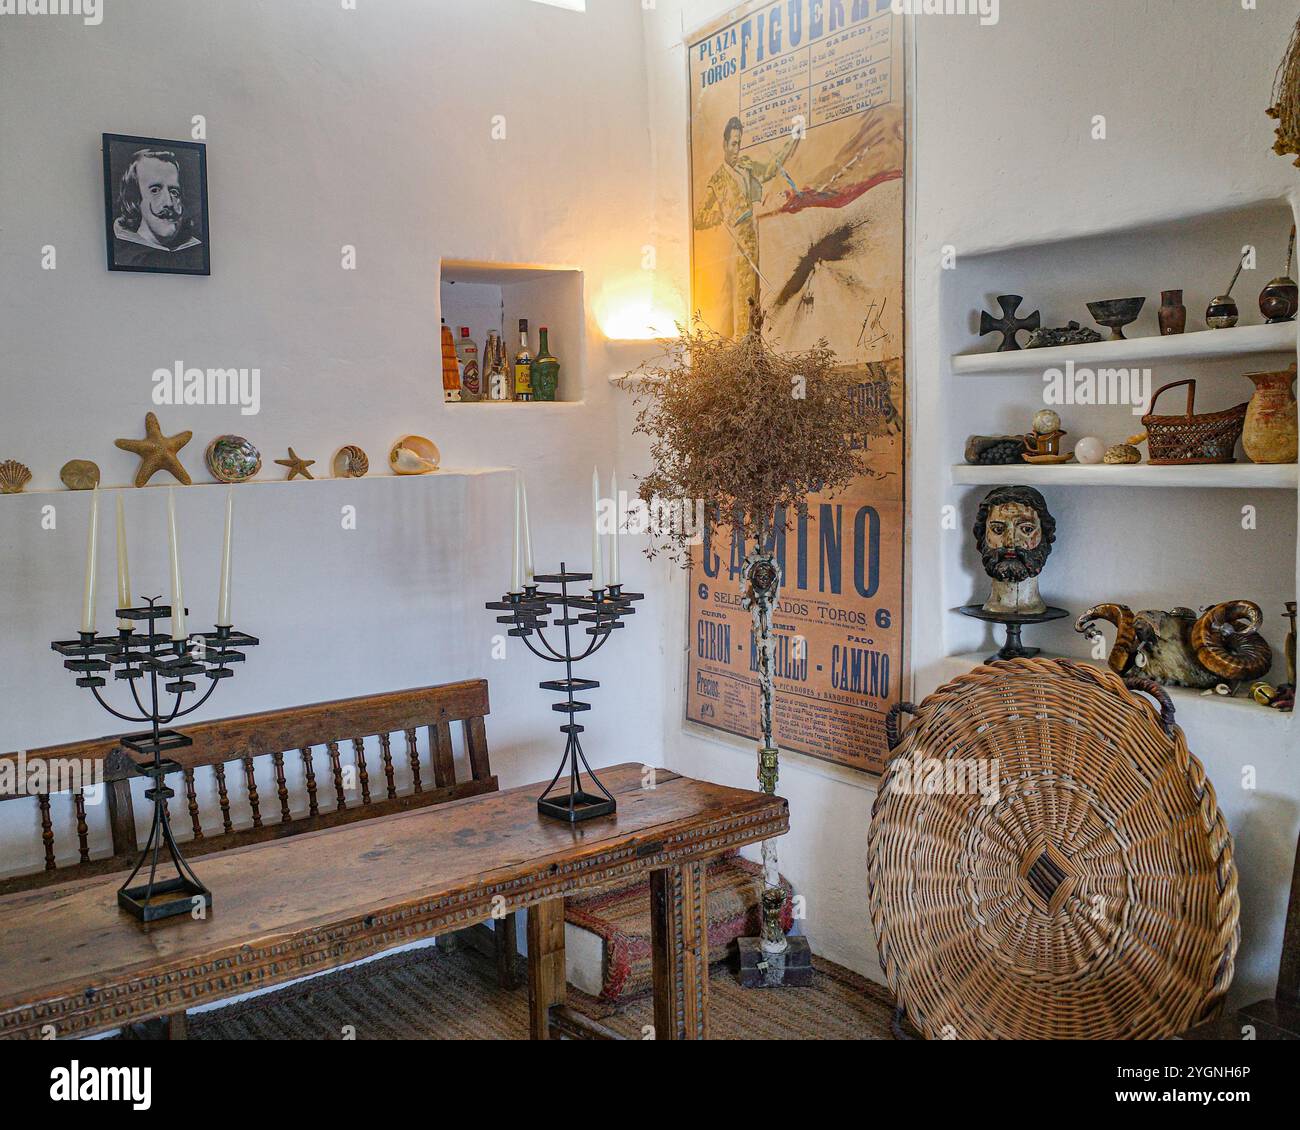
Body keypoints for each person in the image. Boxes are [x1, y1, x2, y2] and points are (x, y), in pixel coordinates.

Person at [694, 117, 799, 337]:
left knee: (766, 294)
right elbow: (699, 218)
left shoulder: (746, 166)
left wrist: (793, 139)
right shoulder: (718, 180)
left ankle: (763, 345)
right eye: (733, 144)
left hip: (759, 235)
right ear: (724, 144)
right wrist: (718, 215)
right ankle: (745, 348)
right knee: (746, 299)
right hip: (739, 244)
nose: (736, 149)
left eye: (739, 143)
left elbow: (769, 169)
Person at [112, 149, 205, 270]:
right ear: (134, 199)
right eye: (155, 190)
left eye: (174, 192)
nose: (169, 203)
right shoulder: (122, 256)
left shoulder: (198, 255)